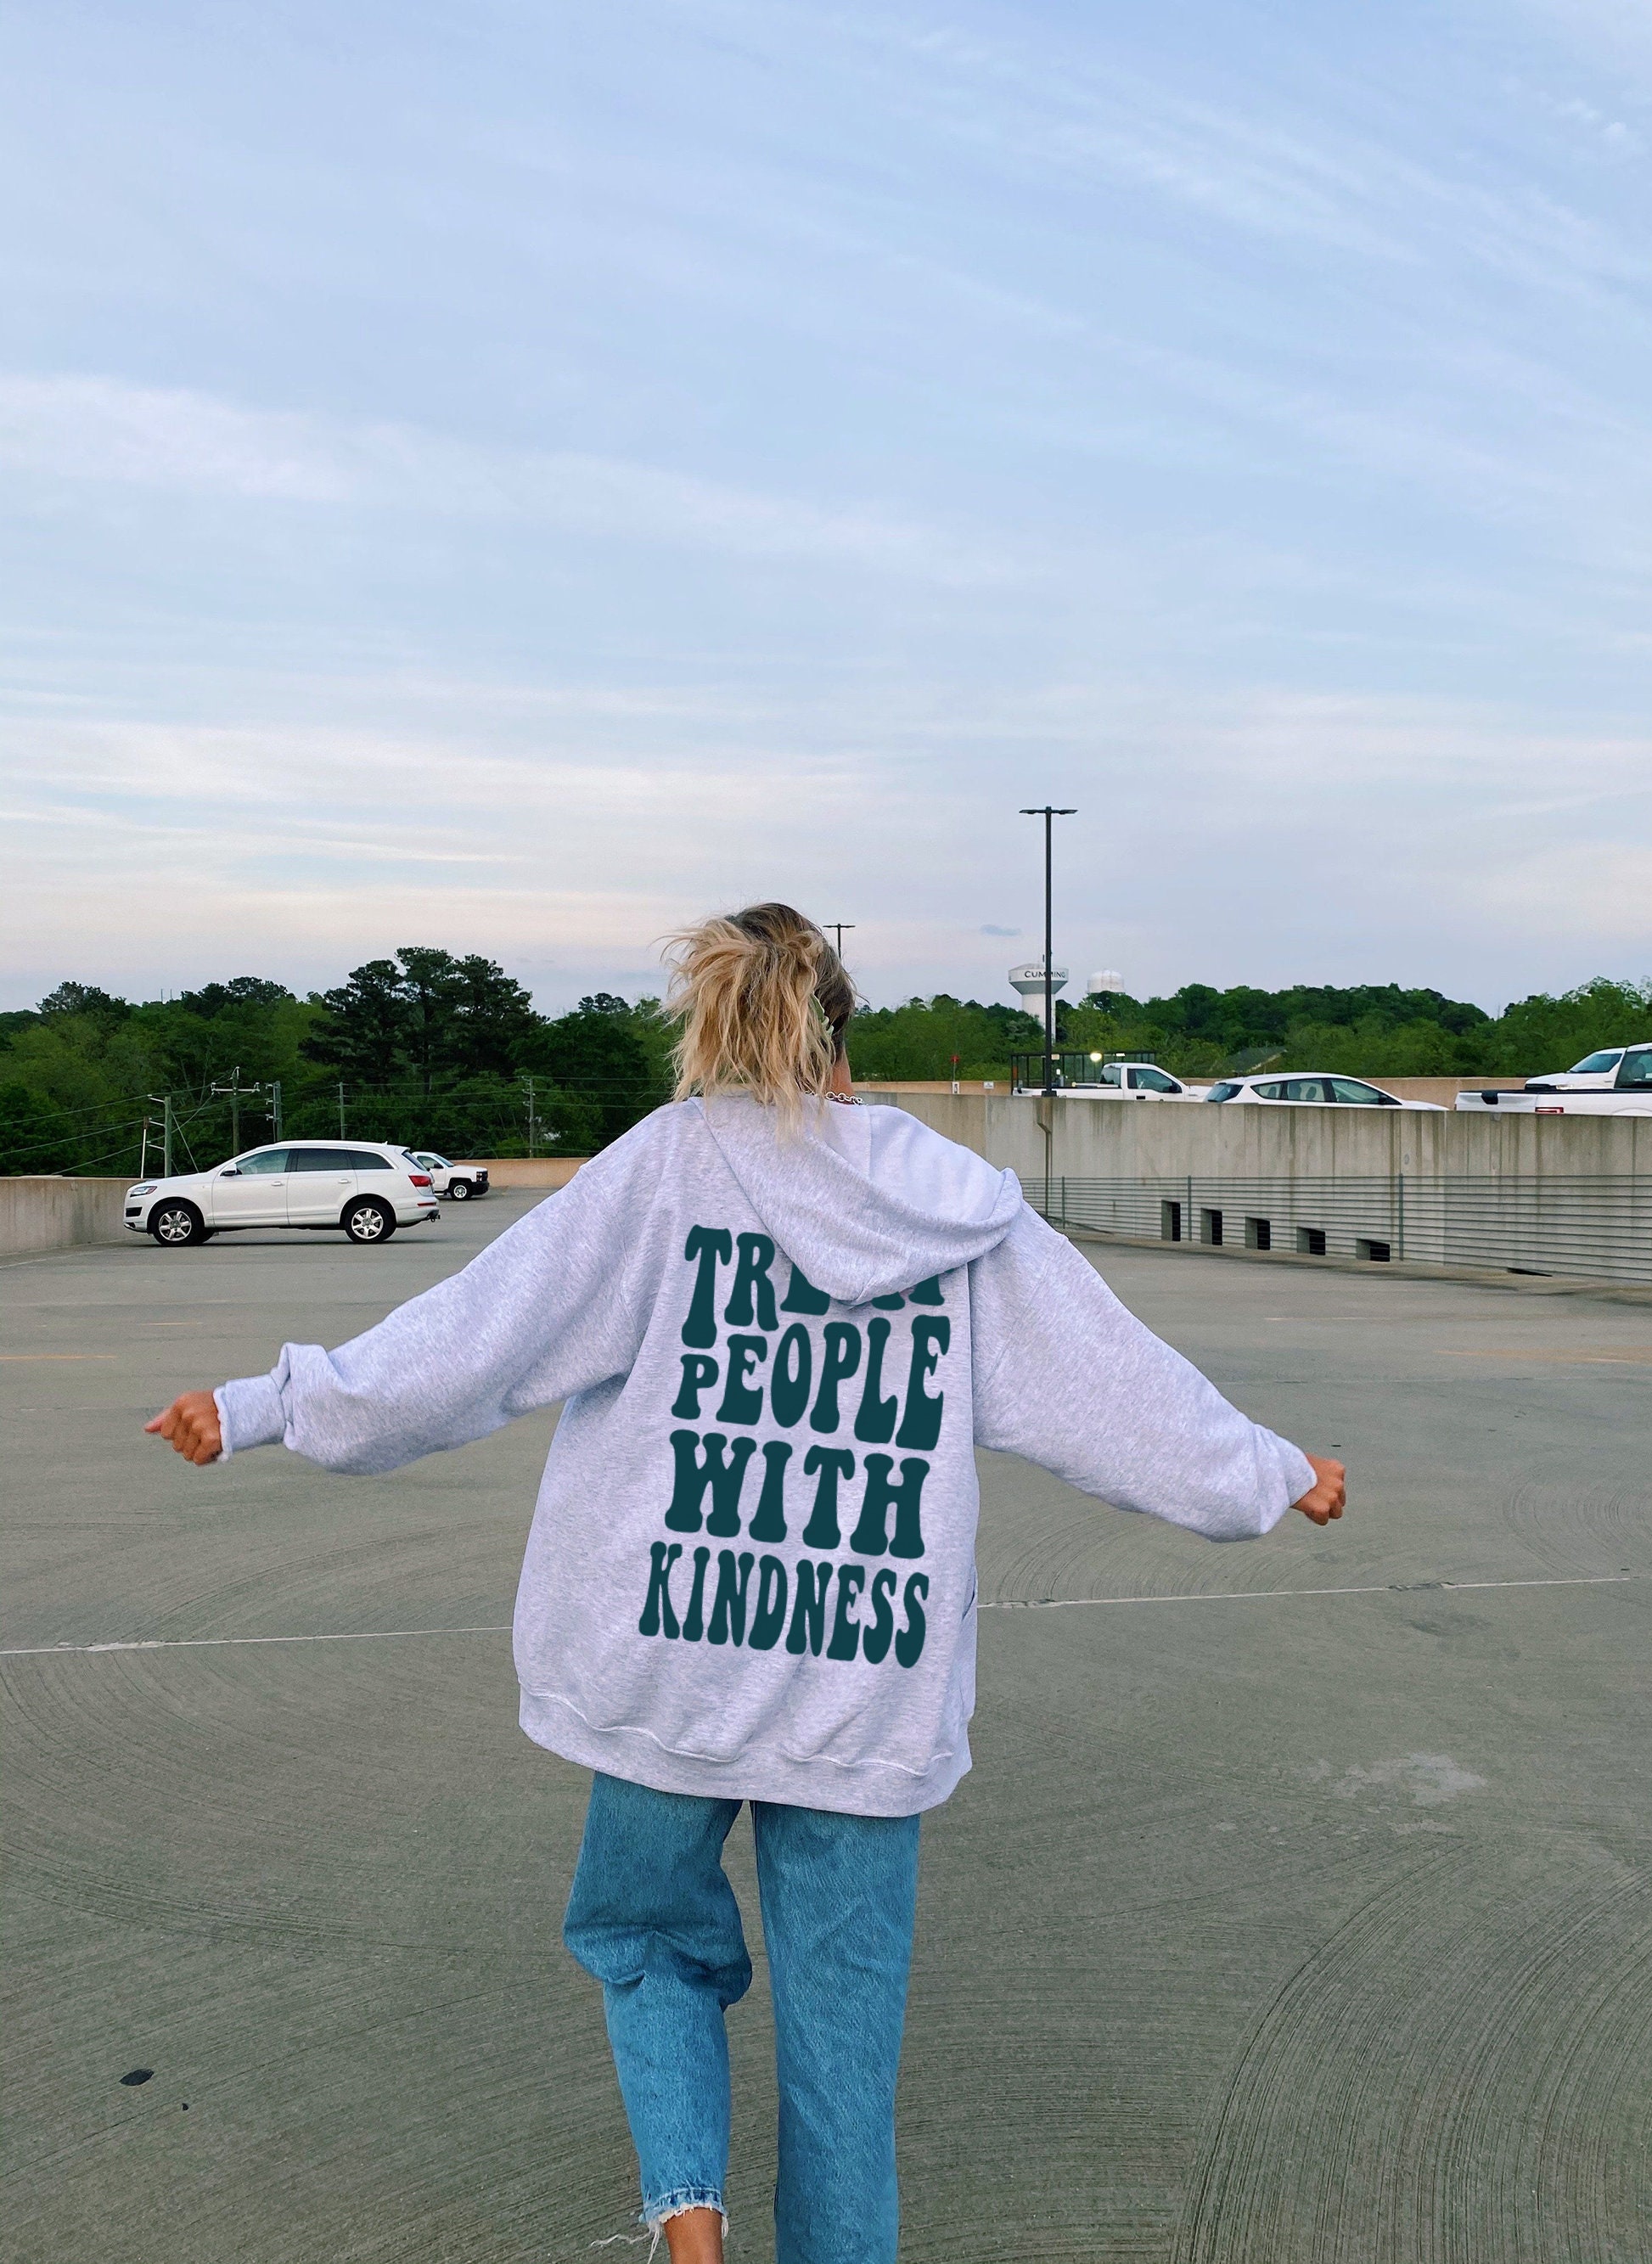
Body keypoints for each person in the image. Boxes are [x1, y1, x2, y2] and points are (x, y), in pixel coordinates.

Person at [149, 902, 1345, 2264]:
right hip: (860, 1688)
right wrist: (1270, 1472)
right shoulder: (954, 1209)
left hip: (665, 1665)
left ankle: (692, 2219)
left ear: (721, 1025)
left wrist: (264, 1405)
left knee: (646, 1939)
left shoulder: (666, 1173)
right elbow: (1113, 1394)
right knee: (846, 2050)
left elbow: (471, 1343)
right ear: (846, 1037)